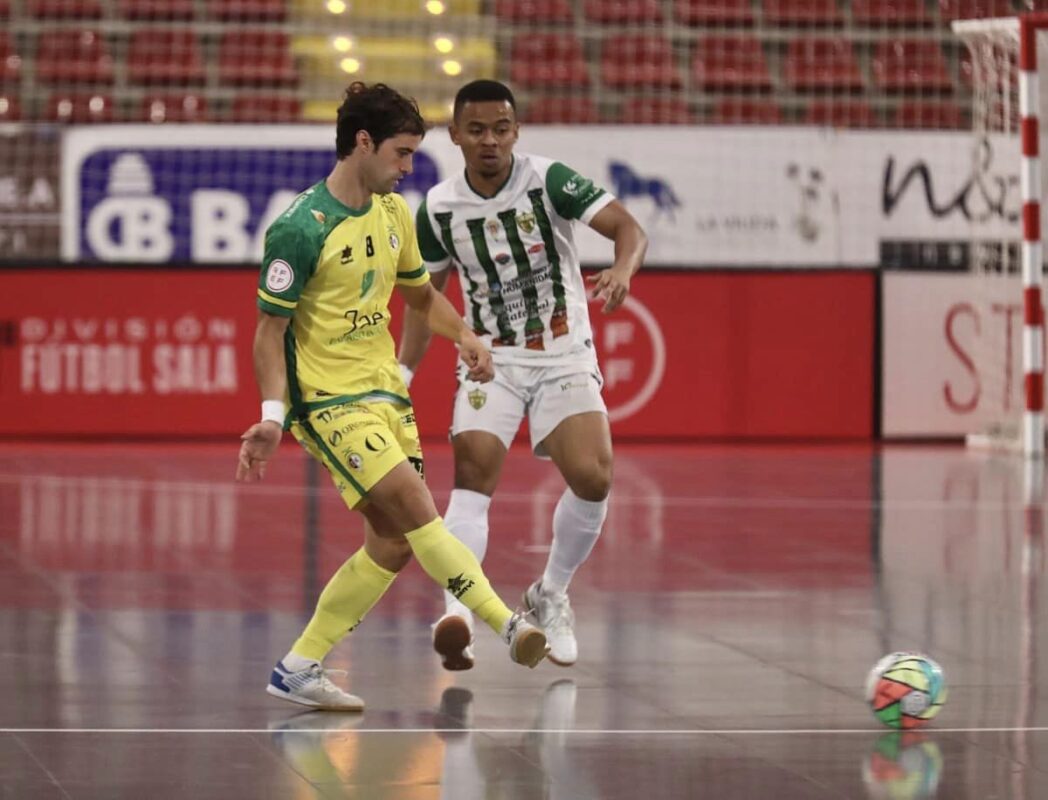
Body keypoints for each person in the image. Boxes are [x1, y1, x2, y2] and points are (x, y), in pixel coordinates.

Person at [236, 82, 549, 712]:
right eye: (402, 154)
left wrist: (464, 334)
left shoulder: (392, 212)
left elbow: (419, 296)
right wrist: (273, 415)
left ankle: (299, 666)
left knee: (393, 541)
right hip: (328, 402)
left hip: (384, 395)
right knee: (415, 506)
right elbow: (269, 333)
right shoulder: (299, 230)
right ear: (362, 143)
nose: (409, 168)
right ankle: (507, 623)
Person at [398, 79, 647, 669]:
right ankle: (459, 611)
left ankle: (550, 594)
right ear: (455, 135)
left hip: (563, 350)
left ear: (517, 131)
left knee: (594, 476)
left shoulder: (549, 179)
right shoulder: (436, 208)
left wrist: (622, 269)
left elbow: (629, 229)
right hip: (493, 361)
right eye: (477, 130)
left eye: (502, 128)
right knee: (473, 475)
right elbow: (423, 299)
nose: (491, 141)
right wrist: (401, 374)